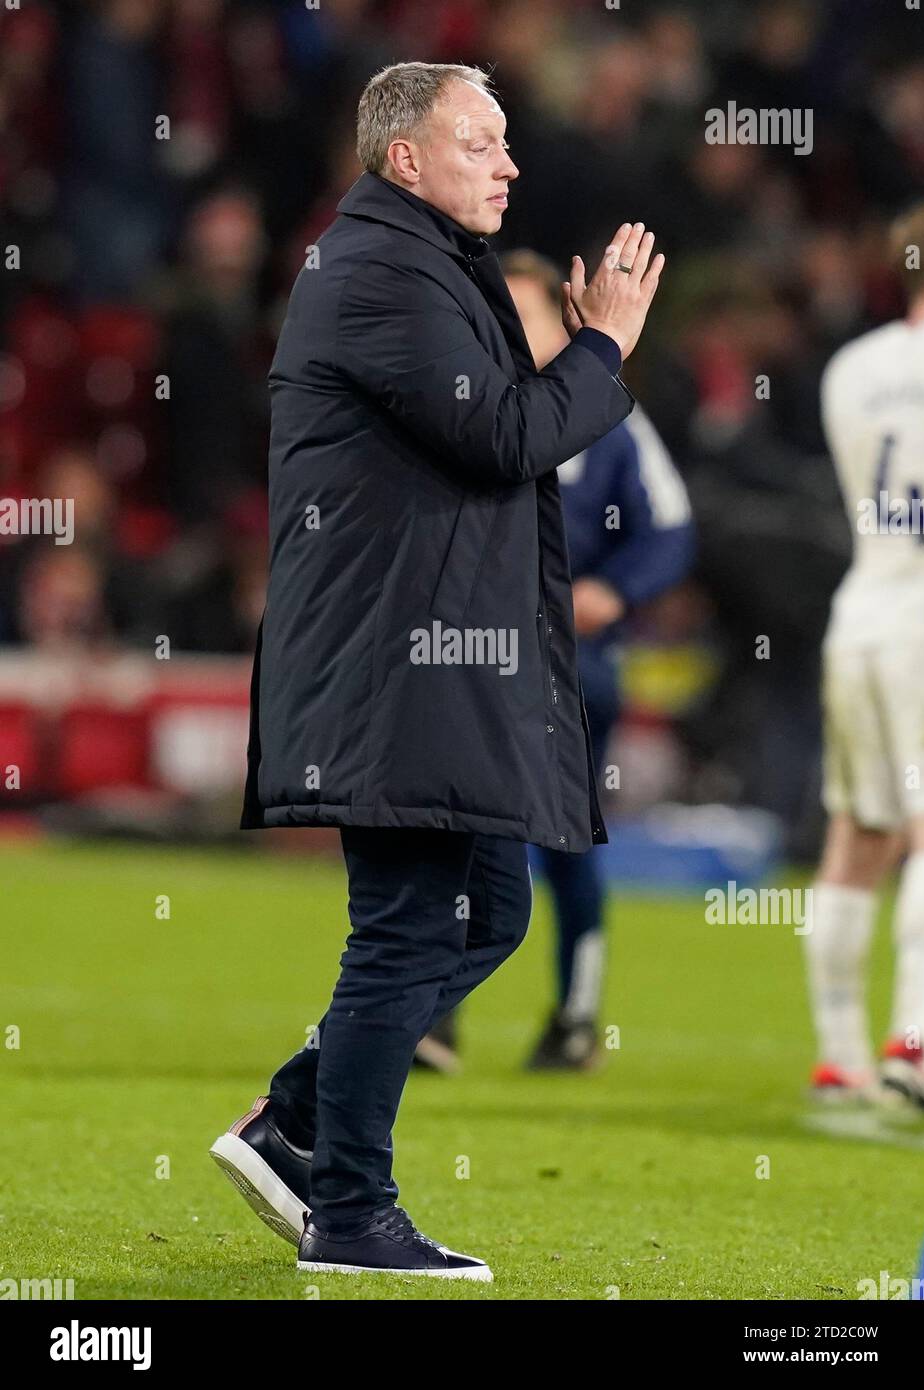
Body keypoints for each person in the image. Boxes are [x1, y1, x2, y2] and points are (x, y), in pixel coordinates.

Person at [210, 60, 665, 1280]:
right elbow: (503, 437)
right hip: (390, 658)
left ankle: (296, 1120)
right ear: (404, 158)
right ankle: (349, 1213)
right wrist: (602, 348)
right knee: (409, 926)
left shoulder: (420, 262)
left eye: (510, 140)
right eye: (481, 141)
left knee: (489, 910)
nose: (509, 163)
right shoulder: (374, 271)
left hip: (428, 652)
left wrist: (571, 357)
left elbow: (499, 441)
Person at [415, 251, 693, 1072]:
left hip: (568, 664)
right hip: (464, 659)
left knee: (563, 835)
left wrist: (613, 589)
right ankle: (433, 1015)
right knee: (453, 831)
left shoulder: (604, 414)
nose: (510, 331)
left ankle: (573, 1013)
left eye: (528, 315)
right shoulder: (466, 410)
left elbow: (672, 529)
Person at [804, 201, 924, 1114]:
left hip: (863, 611)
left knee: (859, 833)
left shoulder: (854, 367)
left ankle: (842, 1055)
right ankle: (914, 1045)